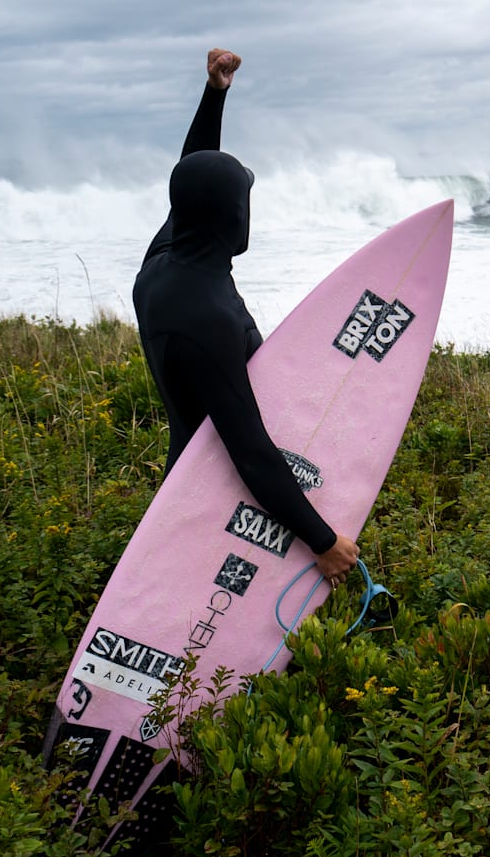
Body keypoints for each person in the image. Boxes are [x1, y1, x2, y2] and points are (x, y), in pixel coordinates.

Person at [132, 49, 359, 587]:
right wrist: (322, 541)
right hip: (219, 497)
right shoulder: (205, 316)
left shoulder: (164, 261)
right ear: (235, 216)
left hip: (187, 468)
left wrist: (215, 93)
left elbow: (192, 174)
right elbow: (249, 450)